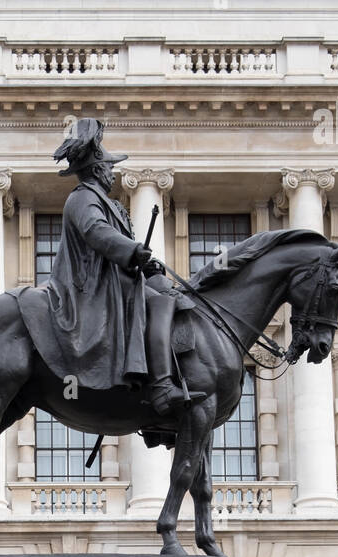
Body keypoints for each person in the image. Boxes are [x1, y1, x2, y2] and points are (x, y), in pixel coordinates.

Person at [19, 117, 206, 416]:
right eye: (109, 167)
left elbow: (114, 240)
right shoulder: (83, 199)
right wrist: (132, 251)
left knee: (166, 291)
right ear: (96, 169)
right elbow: (96, 232)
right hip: (91, 287)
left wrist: (147, 265)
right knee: (159, 305)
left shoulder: (107, 203)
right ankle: (161, 388)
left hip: (113, 279)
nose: (112, 173)